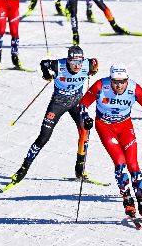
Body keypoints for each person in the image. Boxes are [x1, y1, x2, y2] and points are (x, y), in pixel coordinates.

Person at [79, 63, 142, 221]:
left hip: (125, 127)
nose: (119, 85)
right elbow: (83, 104)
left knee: (133, 165)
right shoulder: (101, 85)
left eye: (122, 82)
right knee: (120, 163)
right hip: (105, 127)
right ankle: (127, 200)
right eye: (116, 82)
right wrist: (86, 118)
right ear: (111, 79)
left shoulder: (134, 88)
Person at [8, 46, 99, 187]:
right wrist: (46, 74)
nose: (77, 66)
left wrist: (94, 70)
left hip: (76, 102)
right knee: (43, 137)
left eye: (80, 62)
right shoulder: (59, 65)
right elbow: (44, 63)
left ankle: (79, 170)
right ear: (68, 60)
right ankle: (23, 169)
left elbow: (94, 62)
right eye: (74, 62)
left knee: (85, 132)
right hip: (58, 103)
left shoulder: (87, 64)